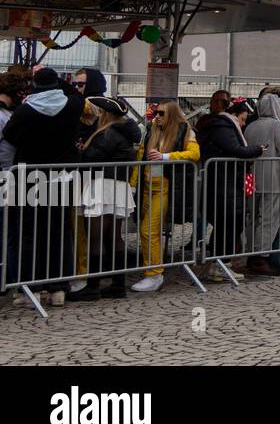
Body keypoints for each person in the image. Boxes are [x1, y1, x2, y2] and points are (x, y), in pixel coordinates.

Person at [3, 67, 85, 307]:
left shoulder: (26, 111)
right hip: (62, 178)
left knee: (29, 235)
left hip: (29, 179)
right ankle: (58, 287)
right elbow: (77, 94)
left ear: (34, 86)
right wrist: (57, 80)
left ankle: (31, 288)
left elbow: (10, 135)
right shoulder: (71, 106)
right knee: (59, 232)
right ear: (57, 84)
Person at [70, 96, 140, 301]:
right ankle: (117, 284)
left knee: (96, 236)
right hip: (116, 184)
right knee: (114, 237)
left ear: (106, 114)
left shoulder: (108, 133)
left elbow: (90, 157)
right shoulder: (121, 132)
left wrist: (80, 149)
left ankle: (93, 286)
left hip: (103, 184)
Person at [130, 101, 199, 293]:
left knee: (148, 230)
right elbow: (140, 158)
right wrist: (134, 185)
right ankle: (151, 269)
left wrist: (166, 157)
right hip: (146, 185)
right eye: (155, 113)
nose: (157, 117)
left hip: (165, 187)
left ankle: (154, 273)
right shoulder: (151, 130)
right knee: (147, 230)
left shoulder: (184, 131)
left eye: (161, 113)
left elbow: (194, 154)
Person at [196, 98, 264, 282]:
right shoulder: (223, 127)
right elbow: (234, 149)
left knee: (227, 224)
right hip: (223, 183)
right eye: (242, 120)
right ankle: (220, 264)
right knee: (229, 224)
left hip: (226, 182)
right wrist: (256, 150)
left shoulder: (220, 125)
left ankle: (220, 264)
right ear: (233, 115)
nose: (243, 124)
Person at [242, 91, 280, 274]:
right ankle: (261, 257)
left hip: (252, 177)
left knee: (252, 217)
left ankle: (252, 253)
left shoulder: (250, 126)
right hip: (272, 179)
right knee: (268, 218)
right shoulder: (278, 126)